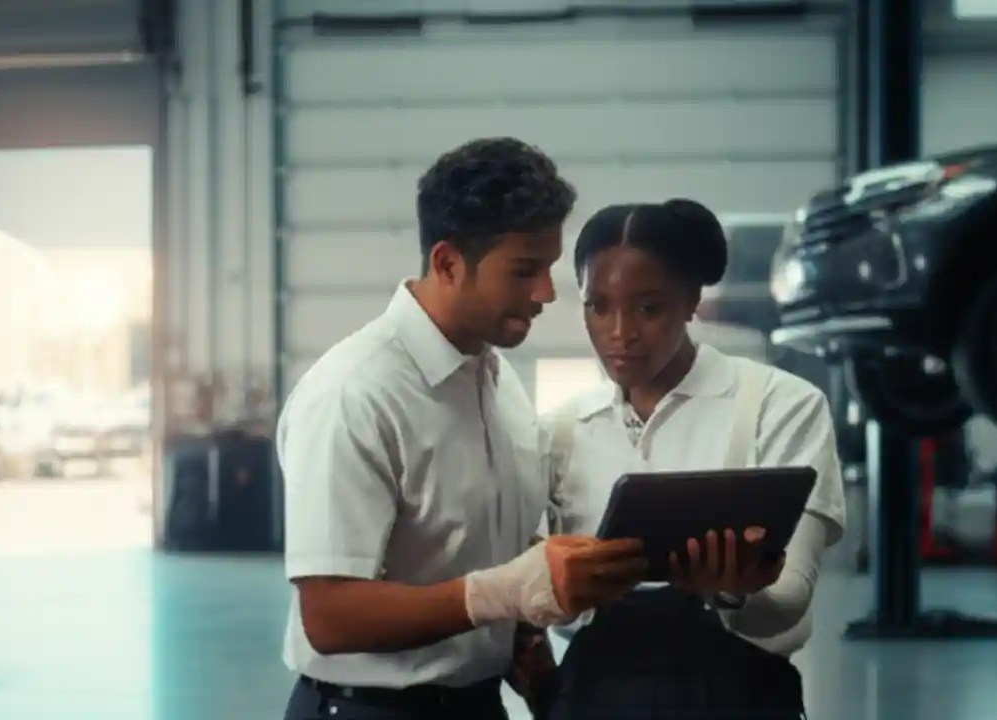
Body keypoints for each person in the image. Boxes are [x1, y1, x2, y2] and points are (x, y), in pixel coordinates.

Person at [277, 138, 649, 720]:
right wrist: (505, 591)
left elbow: (476, 553)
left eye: (548, 267)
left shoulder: (498, 383)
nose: (547, 293)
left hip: (478, 704)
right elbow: (328, 616)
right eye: (524, 270)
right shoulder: (353, 395)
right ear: (448, 263)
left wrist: (537, 617)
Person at [538, 199, 847, 719]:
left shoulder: (779, 406)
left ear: (691, 302)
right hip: (596, 698)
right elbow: (551, 608)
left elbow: (790, 600)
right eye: (598, 306)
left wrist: (733, 592)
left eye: (648, 308)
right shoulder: (561, 431)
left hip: (736, 698)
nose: (620, 332)